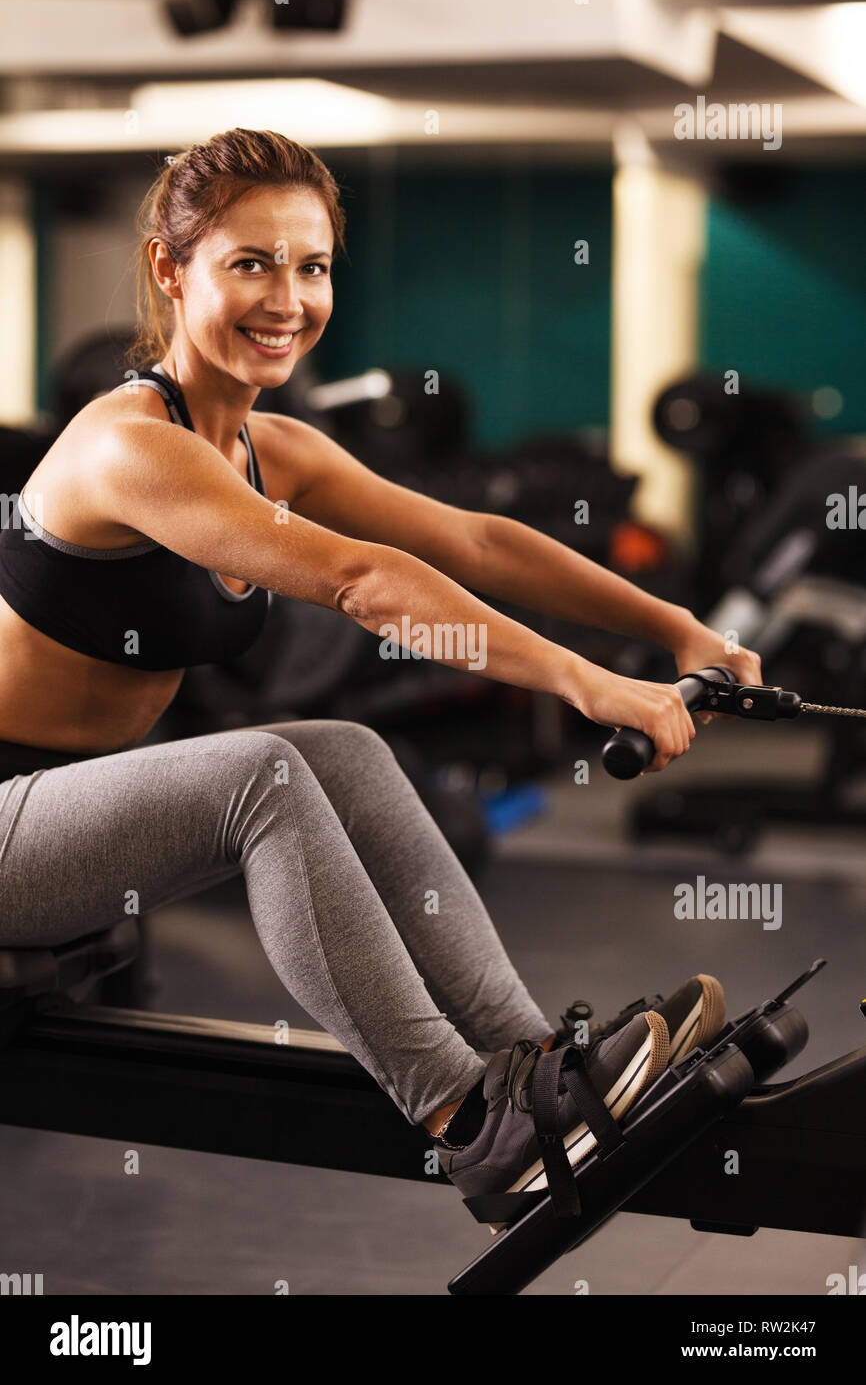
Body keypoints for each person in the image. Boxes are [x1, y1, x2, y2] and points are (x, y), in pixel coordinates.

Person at [0, 127, 761, 1215]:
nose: (288, 298)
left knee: (343, 749)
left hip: (57, 808)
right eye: (249, 262)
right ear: (171, 272)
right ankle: (468, 1120)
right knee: (260, 774)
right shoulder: (129, 445)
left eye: (310, 266)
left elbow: (475, 542)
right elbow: (361, 581)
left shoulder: (273, 446)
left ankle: (533, 1068)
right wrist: (588, 683)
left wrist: (671, 624)